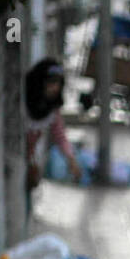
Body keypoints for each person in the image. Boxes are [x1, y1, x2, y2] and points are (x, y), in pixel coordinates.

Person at [24, 58, 82, 214]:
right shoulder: (21, 101)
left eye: (57, 84)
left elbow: (60, 135)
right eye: (50, 83)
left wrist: (71, 160)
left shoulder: (51, 110)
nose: (54, 88)